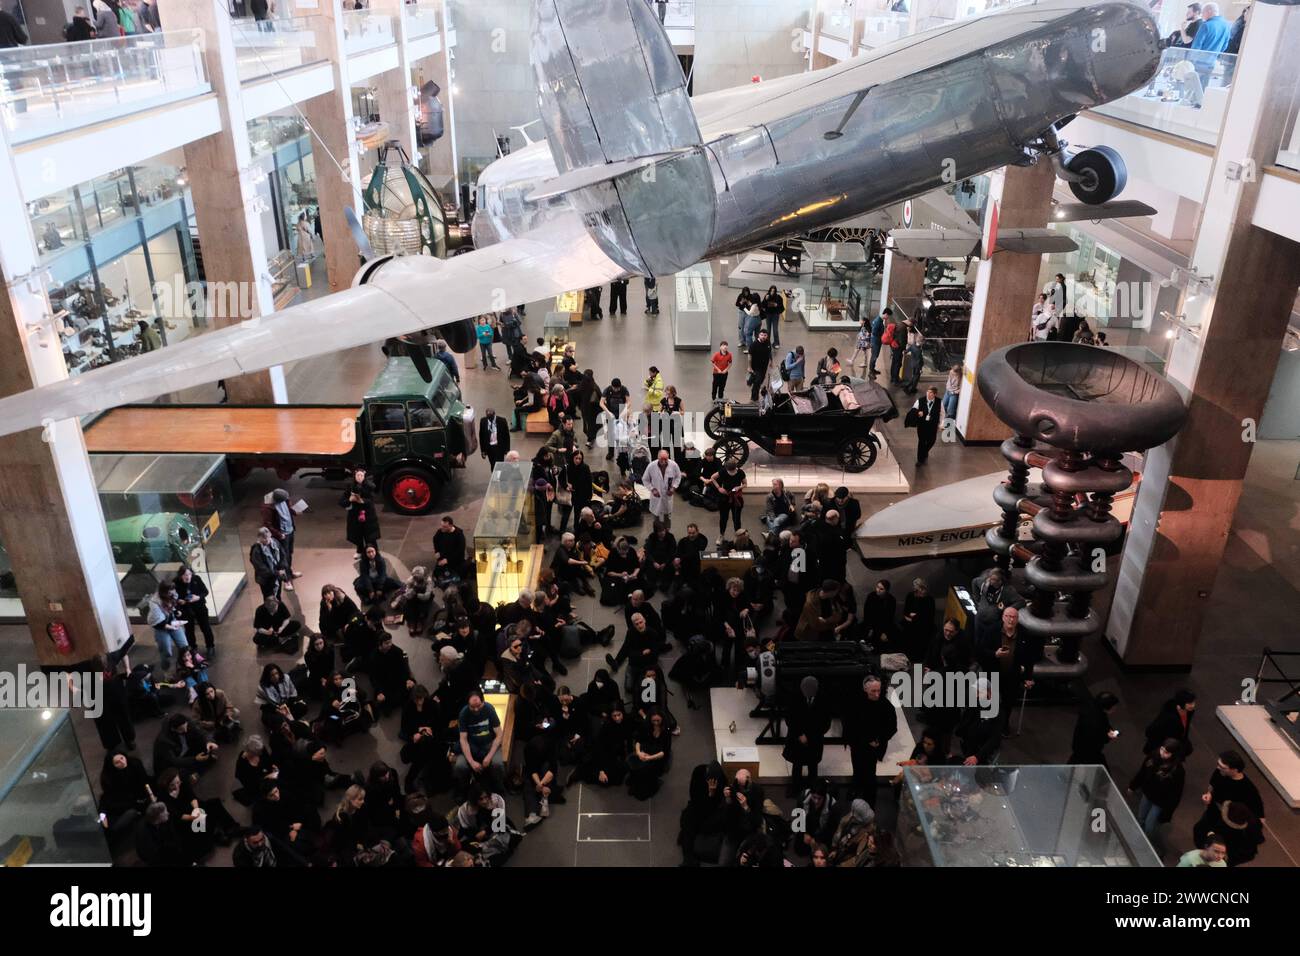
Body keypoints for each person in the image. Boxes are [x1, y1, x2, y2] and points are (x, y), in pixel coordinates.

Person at [1193, 750, 1265, 864]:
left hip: (1230, 828)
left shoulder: (1248, 790)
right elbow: (1212, 786)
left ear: (1235, 769)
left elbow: (1260, 817)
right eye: (1218, 764)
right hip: (1214, 815)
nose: (1218, 767)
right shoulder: (1219, 772)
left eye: (1223, 767)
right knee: (1200, 832)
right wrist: (1209, 795)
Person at [844, 675, 898, 806]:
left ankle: (869, 800)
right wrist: (863, 739)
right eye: (873, 691)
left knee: (870, 773)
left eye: (879, 690)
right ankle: (855, 788)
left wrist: (879, 739)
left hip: (874, 747)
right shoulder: (855, 704)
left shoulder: (886, 706)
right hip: (858, 744)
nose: (877, 694)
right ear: (865, 689)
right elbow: (849, 724)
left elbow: (891, 727)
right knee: (857, 768)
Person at [1128, 738, 1186, 839]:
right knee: (1141, 817)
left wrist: (1167, 814)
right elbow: (1142, 772)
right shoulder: (1153, 757)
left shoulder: (1177, 771)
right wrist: (1133, 786)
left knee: (1150, 825)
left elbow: (1176, 794)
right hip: (1148, 793)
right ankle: (1137, 837)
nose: (1162, 753)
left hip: (1160, 802)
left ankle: (1146, 841)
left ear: (1174, 754)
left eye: (1166, 752)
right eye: (1162, 749)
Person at [784, 675, 832, 795]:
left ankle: (813, 790)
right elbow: (790, 718)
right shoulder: (794, 697)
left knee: (813, 766)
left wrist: (809, 736)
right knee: (797, 765)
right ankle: (795, 789)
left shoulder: (824, 699)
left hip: (814, 739)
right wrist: (799, 734)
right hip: (797, 737)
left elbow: (825, 723)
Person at [455, 691, 505, 796]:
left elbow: (499, 735)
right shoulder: (463, 713)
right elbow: (463, 740)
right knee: (460, 766)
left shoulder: (489, 709)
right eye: (472, 707)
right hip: (471, 746)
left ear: (483, 701)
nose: (476, 709)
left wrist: (489, 756)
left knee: (497, 764)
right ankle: (464, 790)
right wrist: (472, 762)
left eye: (478, 706)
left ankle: (498, 789)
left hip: (489, 744)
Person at [153, 712, 218, 779]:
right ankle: (195, 773)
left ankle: (200, 766)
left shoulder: (185, 722)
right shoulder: (163, 741)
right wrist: (195, 759)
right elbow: (174, 761)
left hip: (182, 751)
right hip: (169, 763)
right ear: (173, 729)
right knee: (180, 773)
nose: (185, 730)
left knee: (202, 743)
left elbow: (201, 732)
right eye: (181, 729)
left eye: (186, 726)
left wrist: (209, 742)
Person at [627, 709, 671, 799]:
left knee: (645, 768)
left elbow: (664, 752)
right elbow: (638, 740)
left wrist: (649, 758)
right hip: (645, 751)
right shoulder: (645, 726)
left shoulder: (666, 730)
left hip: (657, 755)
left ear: (662, 719)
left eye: (658, 721)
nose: (655, 723)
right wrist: (639, 753)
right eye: (653, 721)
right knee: (633, 763)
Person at [146, 583, 189, 674]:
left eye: (173, 591)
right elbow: (160, 623)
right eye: (170, 592)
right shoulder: (154, 603)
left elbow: (172, 605)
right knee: (166, 651)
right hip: (160, 626)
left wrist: (176, 612)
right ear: (164, 593)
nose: (172, 594)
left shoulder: (172, 594)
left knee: (184, 646)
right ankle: (167, 672)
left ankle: (184, 667)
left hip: (171, 621)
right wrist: (172, 627)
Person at [1069, 691, 1120, 765]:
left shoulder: (1092, 709)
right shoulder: (1097, 722)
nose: (1115, 710)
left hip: (1078, 745)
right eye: (1114, 708)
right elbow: (1103, 737)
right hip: (1088, 751)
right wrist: (1111, 735)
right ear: (1106, 708)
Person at [1143, 689, 1196, 758]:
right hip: (1166, 743)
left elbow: (1185, 726)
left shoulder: (1189, 711)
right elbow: (1150, 731)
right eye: (1190, 703)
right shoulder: (1168, 716)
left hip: (1178, 739)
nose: (1193, 705)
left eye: (1194, 702)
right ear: (1181, 704)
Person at [339, 468, 381, 554]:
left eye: (361, 475)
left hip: (368, 515)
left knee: (370, 536)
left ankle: (374, 551)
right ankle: (359, 550)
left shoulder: (369, 487)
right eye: (357, 475)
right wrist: (350, 500)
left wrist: (362, 501)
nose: (359, 477)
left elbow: (372, 500)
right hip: (355, 515)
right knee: (357, 535)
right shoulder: (350, 487)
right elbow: (341, 501)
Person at [706, 459, 746, 546]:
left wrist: (739, 487)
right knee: (723, 518)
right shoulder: (723, 471)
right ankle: (721, 535)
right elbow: (712, 477)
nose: (730, 471)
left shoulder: (740, 472)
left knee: (737, 519)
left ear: (735, 468)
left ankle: (737, 536)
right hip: (724, 497)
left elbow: (745, 484)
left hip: (736, 497)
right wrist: (719, 488)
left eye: (731, 470)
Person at [826, 799, 875, 867]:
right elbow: (839, 831)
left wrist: (842, 865)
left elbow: (858, 858)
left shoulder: (867, 833)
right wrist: (834, 849)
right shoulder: (850, 816)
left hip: (851, 855)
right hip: (842, 848)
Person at [642, 449, 681, 529]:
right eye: (661, 459)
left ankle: (667, 532)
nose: (663, 461)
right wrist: (652, 489)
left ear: (668, 457)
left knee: (667, 517)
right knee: (656, 517)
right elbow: (645, 479)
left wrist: (674, 487)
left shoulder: (673, 465)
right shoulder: (651, 466)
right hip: (656, 496)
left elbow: (678, 477)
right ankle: (657, 532)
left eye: (665, 459)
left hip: (668, 496)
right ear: (657, 457)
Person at [910, 386, 942, 465]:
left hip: (933, 425)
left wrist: (941, 424)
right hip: (922, 425)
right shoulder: (920, 401)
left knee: (932, 440)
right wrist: (917, 412)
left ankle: (924, 451)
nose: (928, 394)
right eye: (927, 392)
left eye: (931, 392)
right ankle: (920, 460)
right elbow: (913, 410)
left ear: (935, 394)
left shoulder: (939, 402)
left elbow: (942, 414)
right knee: (922, 441)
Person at [903, 318, 925, 394]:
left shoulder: (913, 346)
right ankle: (911, 389)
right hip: (917, 366)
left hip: (912, 364)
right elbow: (920, 360)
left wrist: (905, 352)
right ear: (921, 342)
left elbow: (906, 351)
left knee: (913, 376)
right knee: (916, 378)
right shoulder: (919, 351)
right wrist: (920, 369)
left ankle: (908, 386)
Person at [748, 329, 771, 400]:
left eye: (765, 335)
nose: (763, 337)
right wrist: (749, 367)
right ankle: (754, 397)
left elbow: (769, 352)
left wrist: (771, 361)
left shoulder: (768, 342)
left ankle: (751, 379)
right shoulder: (754, 344)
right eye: (761, 335)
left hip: (764, 366)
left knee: (761, 379)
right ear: (759, 335)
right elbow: (749, 356)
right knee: (757, 382)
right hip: (756, 367)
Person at [870, 308, 889, 374]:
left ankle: (872, 369)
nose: (888, 318)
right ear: (886, 314)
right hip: (876, 341)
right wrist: (882, 335)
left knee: (875, 356)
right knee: (874, 356)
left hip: (876, 341)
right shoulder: (878, 321)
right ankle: (871, 371)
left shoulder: (879, 320)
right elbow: (874, 332)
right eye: (888, 316)